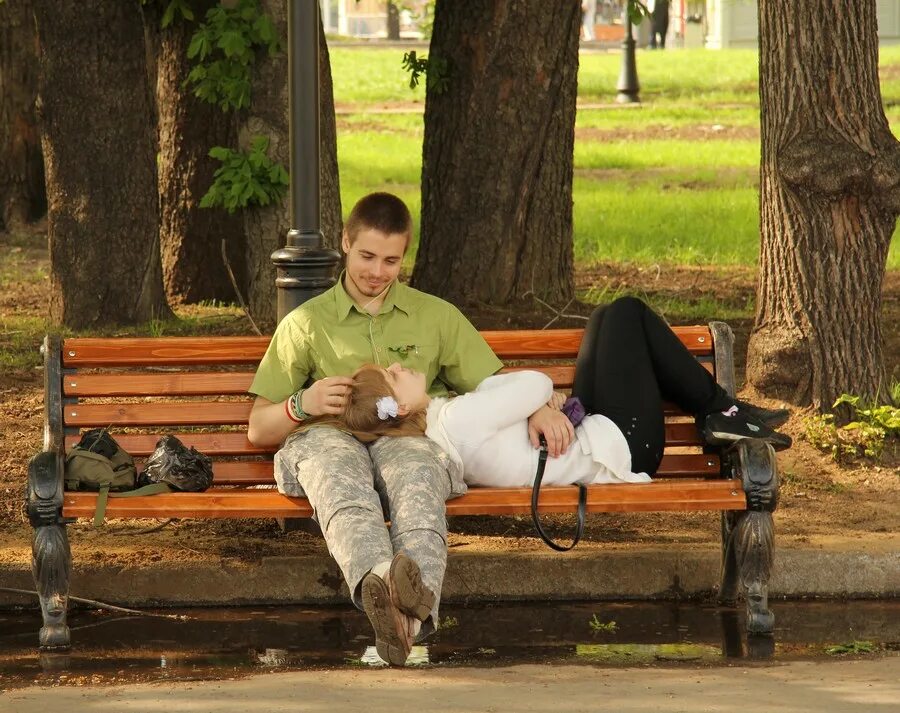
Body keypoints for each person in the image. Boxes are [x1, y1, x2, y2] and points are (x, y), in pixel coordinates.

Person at [245, 192, 571, 666]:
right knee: (340, 481)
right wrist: (303, 402)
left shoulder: (435, 315)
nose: (377, 271)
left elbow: (495, 384)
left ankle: (404, 621)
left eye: (391, 260)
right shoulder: (306, 323)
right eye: (366, 256)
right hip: (326, 436)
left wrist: (537, 406)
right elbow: (258, 427)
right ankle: (388, 589)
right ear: (345, 243)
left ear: (405, 256)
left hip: (408, 437)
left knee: (418, 481)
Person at [312, 297, 791, 492]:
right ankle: (720, 409)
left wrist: (531, 413)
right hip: (626, 447)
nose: (399, 365)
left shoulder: (443, 428)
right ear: (401, 406)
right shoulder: (456, 423)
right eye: (392, 374)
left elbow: (505, 393)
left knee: (604, 317)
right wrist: (537, 405)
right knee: (625, 313)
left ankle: (720, 410)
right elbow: (536, 383)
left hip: (597, 431)